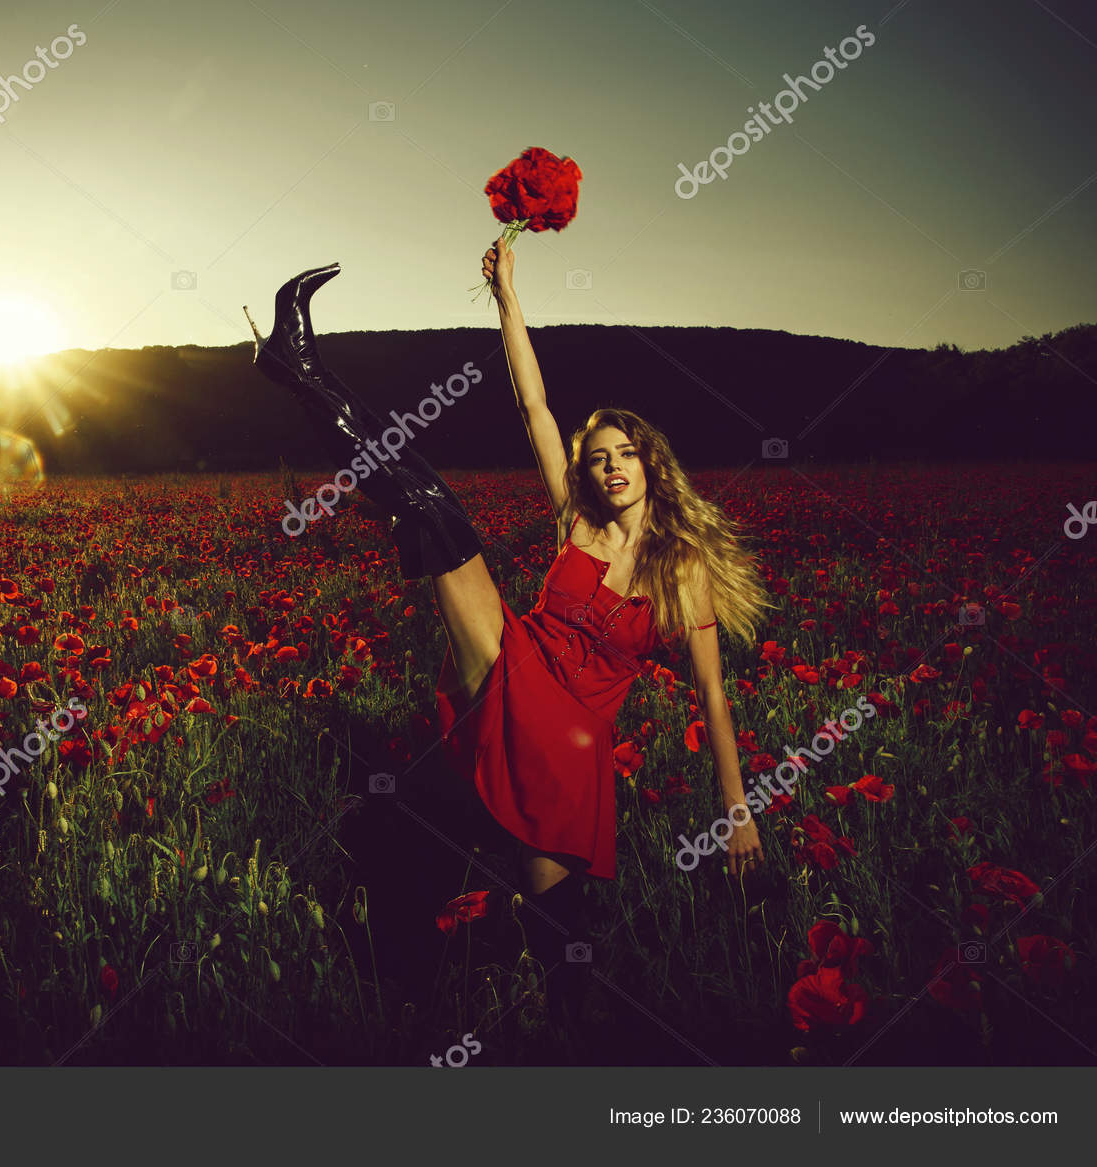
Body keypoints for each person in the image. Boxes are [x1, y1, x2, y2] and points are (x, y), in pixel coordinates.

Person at [246, 238, 772, 1020]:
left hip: (573, 742)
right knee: (430, 506)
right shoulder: (578, 521)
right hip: (515, 664)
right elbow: (535, 403)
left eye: (624, 453)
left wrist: (736, 807)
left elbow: (713, 695)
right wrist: (507, 295)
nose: (609, 467)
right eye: (596, 457)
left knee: (559, 930)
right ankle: (298, 364)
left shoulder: (682, 569)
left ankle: (567, 1042)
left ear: (651, 464)